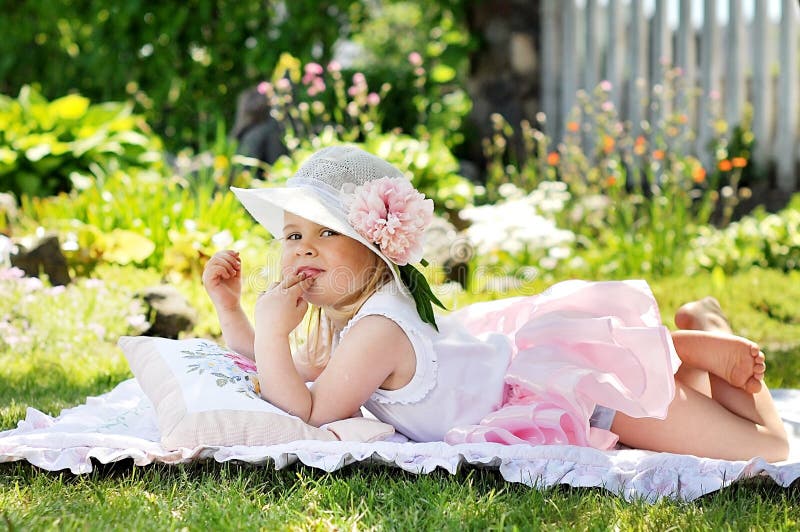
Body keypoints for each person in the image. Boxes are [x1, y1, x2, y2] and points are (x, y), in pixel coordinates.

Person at [202, 145, 789, 462]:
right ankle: (685, 344)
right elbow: (279, 375)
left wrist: (275, 334)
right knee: (707, 417)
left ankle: (705, 334)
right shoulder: (352, 318)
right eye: (293, 235)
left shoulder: (377, 330)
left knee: (766, 448)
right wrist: (232, 309)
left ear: (376, 250)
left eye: (328, 232)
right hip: (531, 376)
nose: (304, 248)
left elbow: (308, 412)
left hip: (579, 396)